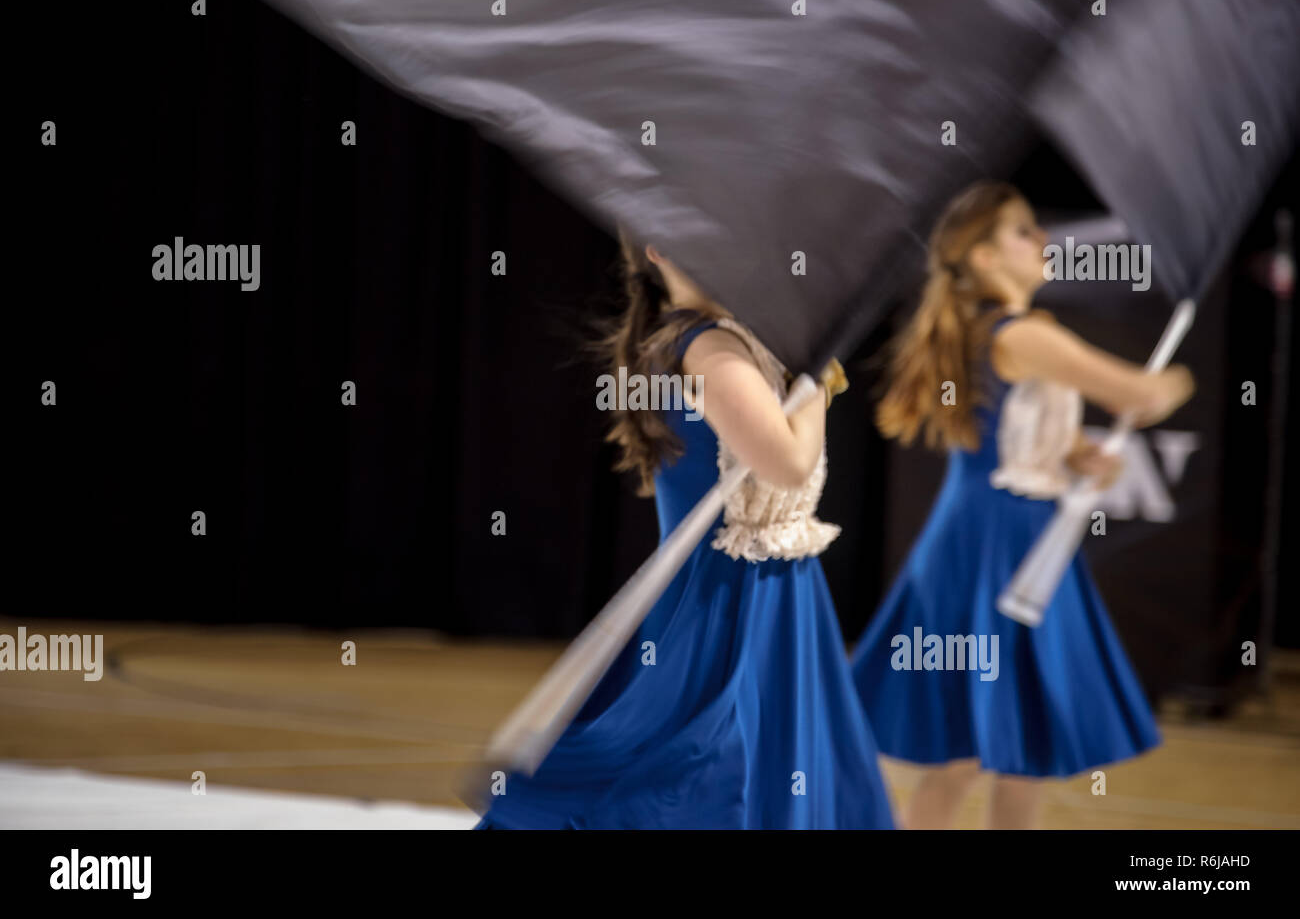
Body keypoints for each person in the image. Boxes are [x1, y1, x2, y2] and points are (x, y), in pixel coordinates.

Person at [474, 227, 895, 828]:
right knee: (700, 782)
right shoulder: (704, 347)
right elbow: (788, 463)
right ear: (659, 250)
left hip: (775, 594)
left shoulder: (725, 341)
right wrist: (816, 374)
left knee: (757, 775)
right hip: (728, 603)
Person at [851, 181, 1195, 829]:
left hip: (1011, 529)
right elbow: (1139, 394)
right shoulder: (1022, 334)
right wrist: (1175, 377)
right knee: (965, 750)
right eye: (1022, 231)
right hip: (996, 538)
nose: (1043, 241)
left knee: (1016, 748)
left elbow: (1031, 435)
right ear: (983, 257)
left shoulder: (1010, 333)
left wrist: (1074, 457)